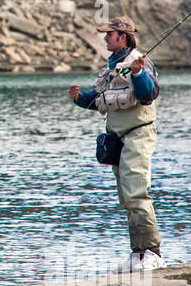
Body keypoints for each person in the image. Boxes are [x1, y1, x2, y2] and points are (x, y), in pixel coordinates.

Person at [67, 15, 164, 271]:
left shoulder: (140, 62)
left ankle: (153, 253)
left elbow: (148, 94)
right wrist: (79, 98)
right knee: (126, 196)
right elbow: (99, 99)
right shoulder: (111, 67)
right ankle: (137, 253)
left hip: (138, 133)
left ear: (123, 36)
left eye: (109, 34)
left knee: (136, 192)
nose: (105, 38)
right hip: (117, 138)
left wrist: (139, 72)